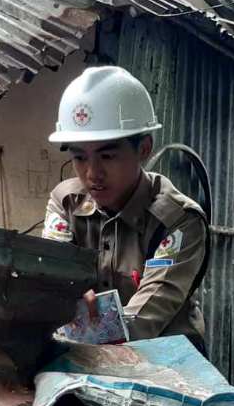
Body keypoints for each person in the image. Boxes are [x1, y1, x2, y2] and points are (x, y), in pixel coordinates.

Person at [41, 65, 208, 347]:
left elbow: (143, 320)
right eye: (80, 158)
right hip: (83, 357)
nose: (92, 173)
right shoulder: (66, 203)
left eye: (107, 156)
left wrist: (69, 314)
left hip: (167, 367)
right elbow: (49, 281)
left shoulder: (179, 220)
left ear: (143, 149)